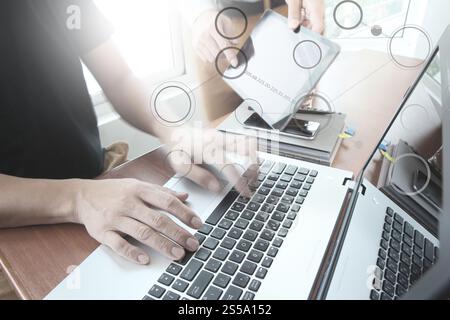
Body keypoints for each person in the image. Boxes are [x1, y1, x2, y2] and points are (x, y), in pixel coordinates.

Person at [0, 0, 257, 267]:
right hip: (18, 226)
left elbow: (119, 78)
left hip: (99, 180)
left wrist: (173, 131)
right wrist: (78, 197)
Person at [185, 0, 325, 121]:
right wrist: (200, 11)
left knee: (297, 132)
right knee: (224, 140)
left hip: (287, 19)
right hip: (217, 33)